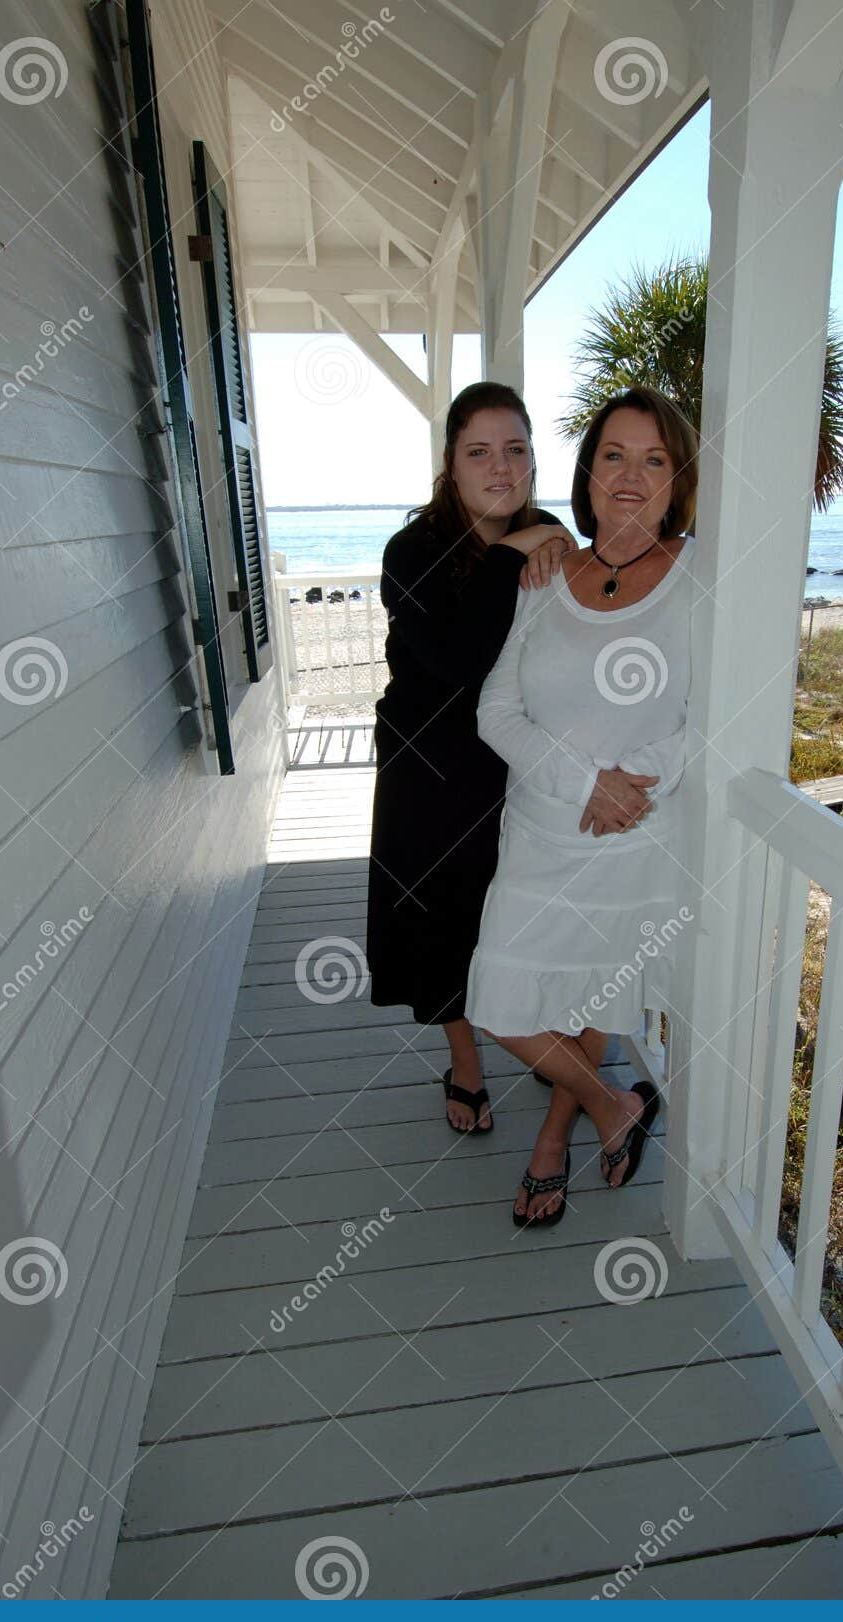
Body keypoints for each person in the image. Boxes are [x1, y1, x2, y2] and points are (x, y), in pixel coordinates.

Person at [464, 387, 700, 1223]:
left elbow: (720, 715)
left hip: (632, 839)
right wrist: (581, 781)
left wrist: (635, 780)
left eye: (653, 459)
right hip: (538, 832)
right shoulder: (545, 576)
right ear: (587, 471)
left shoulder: (700, 575)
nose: (630, 475)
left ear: (678, 477)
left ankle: (553, 1141)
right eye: (613, 455)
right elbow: (495, 711)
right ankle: (612, 1105)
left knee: (590, 995)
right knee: (500, 1003)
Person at [366, 382, 575, 1133]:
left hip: (517, 764)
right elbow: (456, 657)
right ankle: (465, 1062)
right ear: (449, 465)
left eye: (515, 449)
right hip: (430, 770)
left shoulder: (553, 533)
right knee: (445, 925)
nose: (499, 467)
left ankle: (558, 1060)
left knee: (516, 921)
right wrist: (512, 551)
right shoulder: (413, 550)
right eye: (478, 451)